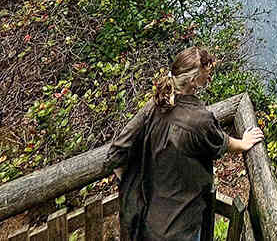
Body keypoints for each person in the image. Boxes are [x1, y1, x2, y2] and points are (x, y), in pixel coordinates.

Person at [104, 47, 264, 241]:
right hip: (181, 227)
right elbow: (221, 141)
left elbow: (116, 152)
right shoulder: (199, 120)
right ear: (192, 80)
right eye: (207, 74)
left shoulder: (155, 104)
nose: (210, 78)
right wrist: (243, 143)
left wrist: (132, 184)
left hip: (148, 221)